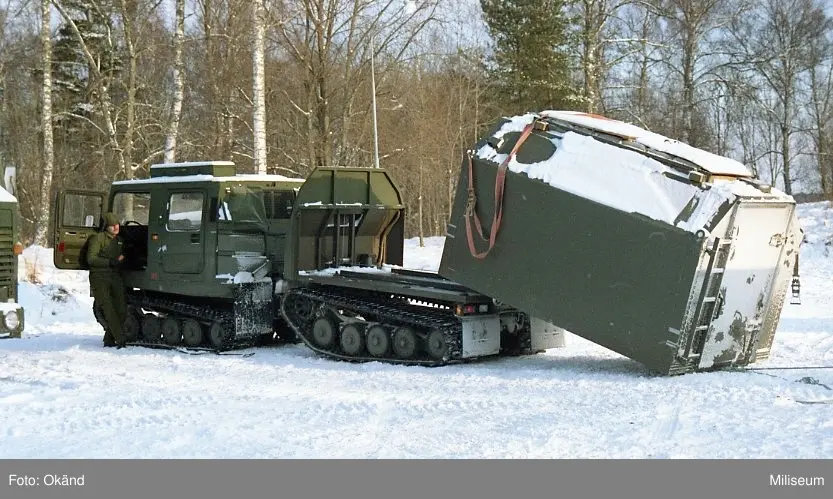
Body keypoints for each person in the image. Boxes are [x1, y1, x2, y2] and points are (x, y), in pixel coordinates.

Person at [85, 212, 128, 348]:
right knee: (108, 309)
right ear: (106, 227)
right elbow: (91, 259)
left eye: (117, 224)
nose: (116, 227)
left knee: (122, 309)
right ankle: (121, 340)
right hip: (99, 276)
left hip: (114, 275)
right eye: (112, 225)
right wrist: (110, 262)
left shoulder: (119, 240)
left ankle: (108, 339)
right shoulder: (98, 239)